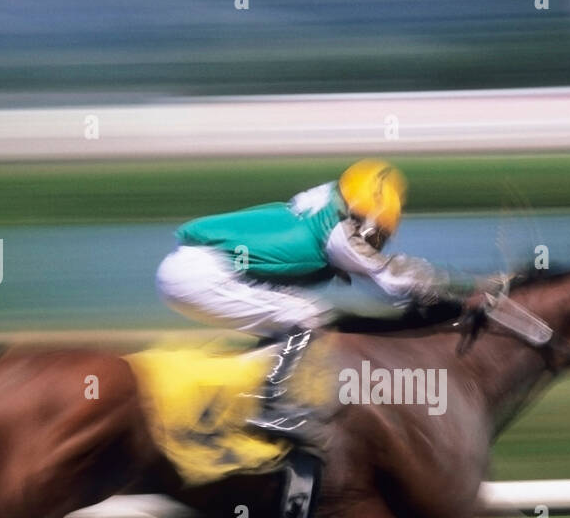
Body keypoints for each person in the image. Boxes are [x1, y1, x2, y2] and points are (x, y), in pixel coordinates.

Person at [156, 159, 473, 435]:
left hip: (195, 266)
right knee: (307, 316)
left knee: (289, 317)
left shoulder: (323, 202)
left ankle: (232, 387)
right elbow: (394, 280)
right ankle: (269, 407)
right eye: (379, 235)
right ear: (366, 221)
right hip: (204, 275)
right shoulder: (341, 236)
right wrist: (457, 296)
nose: (378, 242)